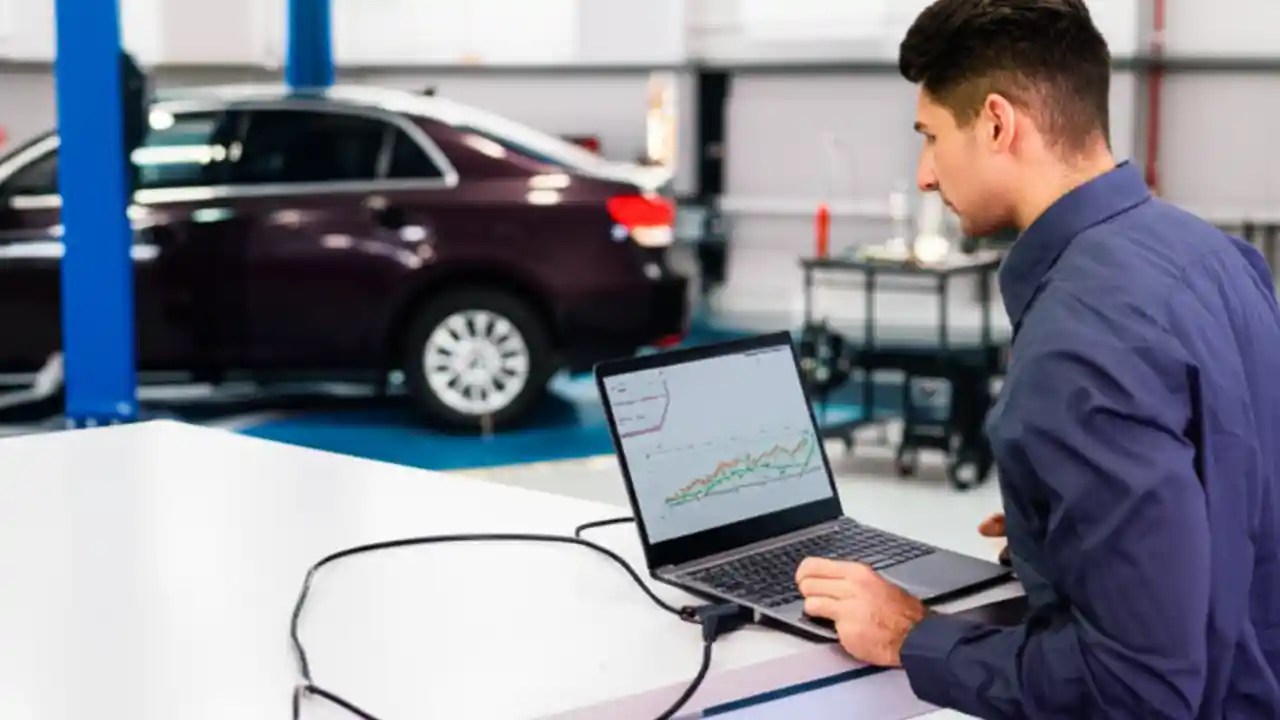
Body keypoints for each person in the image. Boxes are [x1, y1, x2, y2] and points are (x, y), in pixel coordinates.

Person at [795, 1, 1280, 717]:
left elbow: (1137, 690)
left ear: (997, 123)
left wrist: (913, 636)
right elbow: (1241, 496)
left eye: (931, 137)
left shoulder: (1080, 338)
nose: (926, 174)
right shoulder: (1218, 258)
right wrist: (1070, 542)